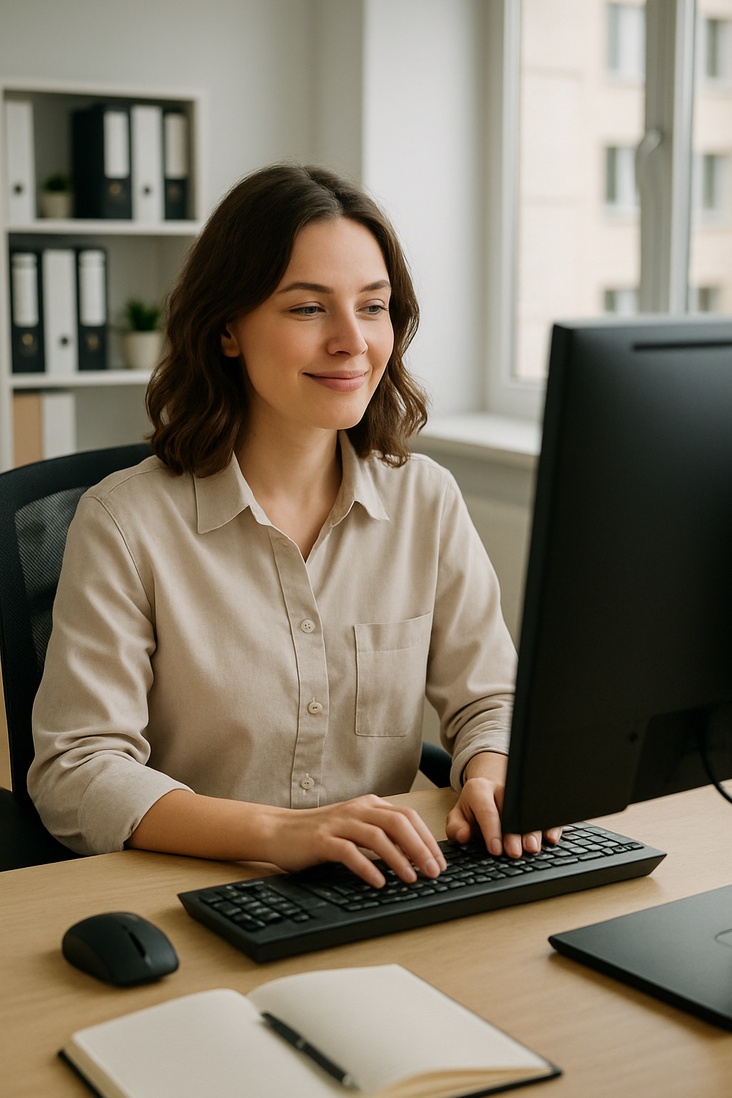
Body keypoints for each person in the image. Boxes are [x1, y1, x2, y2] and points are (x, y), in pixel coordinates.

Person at [29, 163, 559, 887]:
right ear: (226, 331)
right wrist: (281, 833)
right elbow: (77, 769)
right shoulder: (125, 523)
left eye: (372, 307)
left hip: (387, 882)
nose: (352, 341)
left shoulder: (425, 500)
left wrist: (490, 773)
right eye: (309, 309)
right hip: (191, 889)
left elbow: (489, 699)